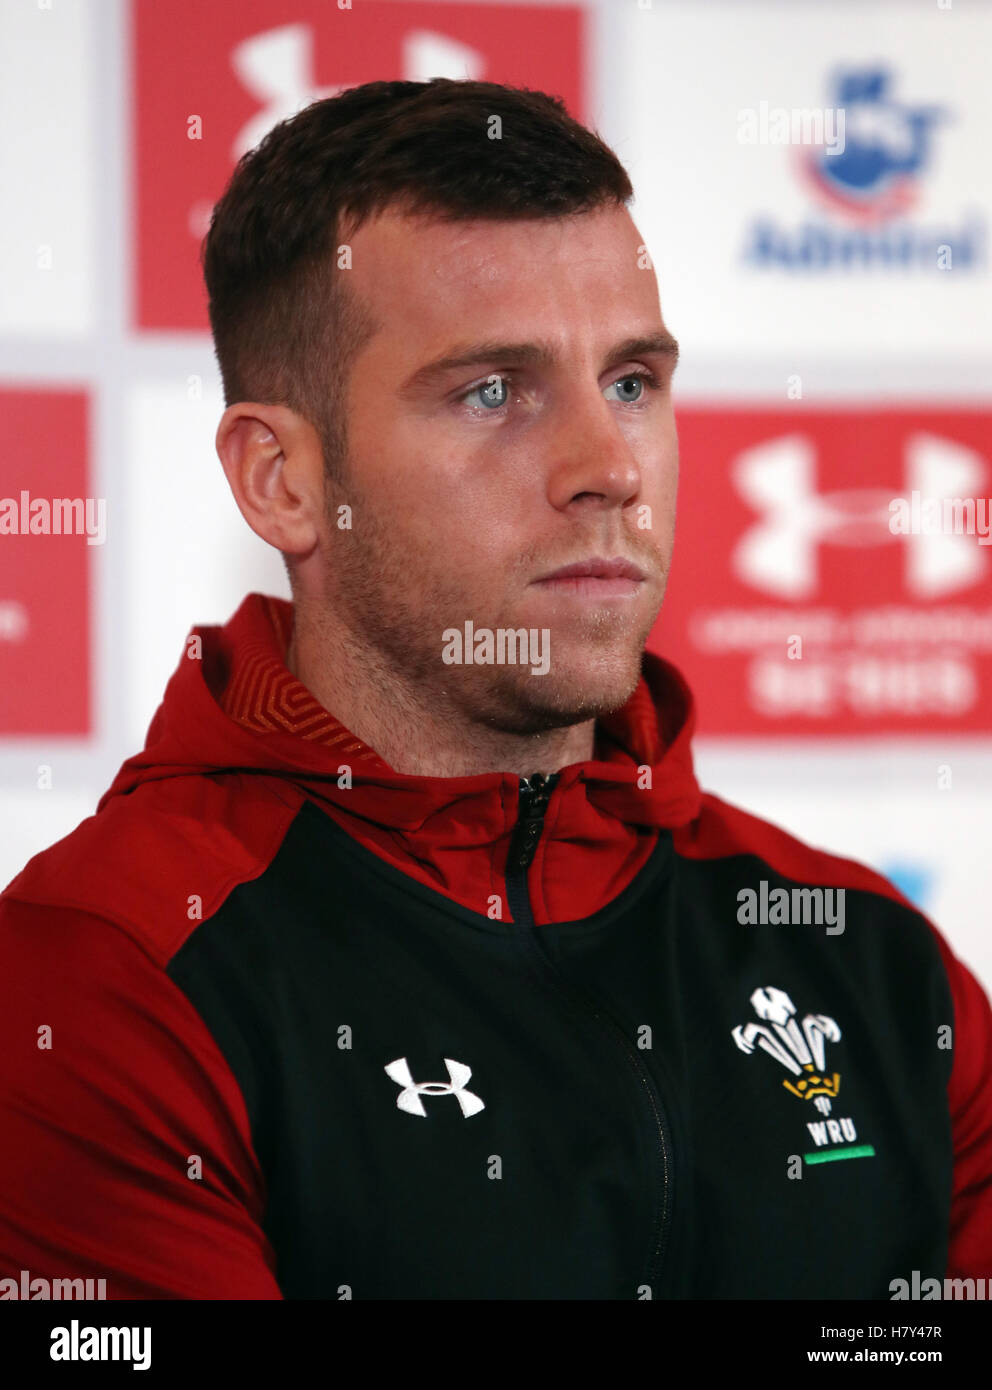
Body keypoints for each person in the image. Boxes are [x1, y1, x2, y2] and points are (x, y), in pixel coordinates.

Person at [1, 78, 990, 1301]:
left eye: (631, 381)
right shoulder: (107, 969)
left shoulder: (871, 958)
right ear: (281, 482)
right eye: (491, 392)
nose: (607, 468)